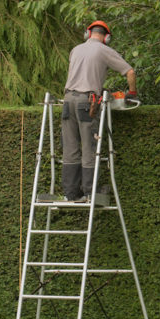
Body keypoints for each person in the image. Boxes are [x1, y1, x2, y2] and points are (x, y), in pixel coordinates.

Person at [61, 20, 137, 202]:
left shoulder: (76, 49)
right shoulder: (104, 50)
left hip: (67, 100)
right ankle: (89, 193)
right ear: (107, 37)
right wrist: (131, 93)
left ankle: (71, 194)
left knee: (70, 148)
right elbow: (130, 72)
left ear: (87, 34)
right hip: (87, 102)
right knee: (89, 147)